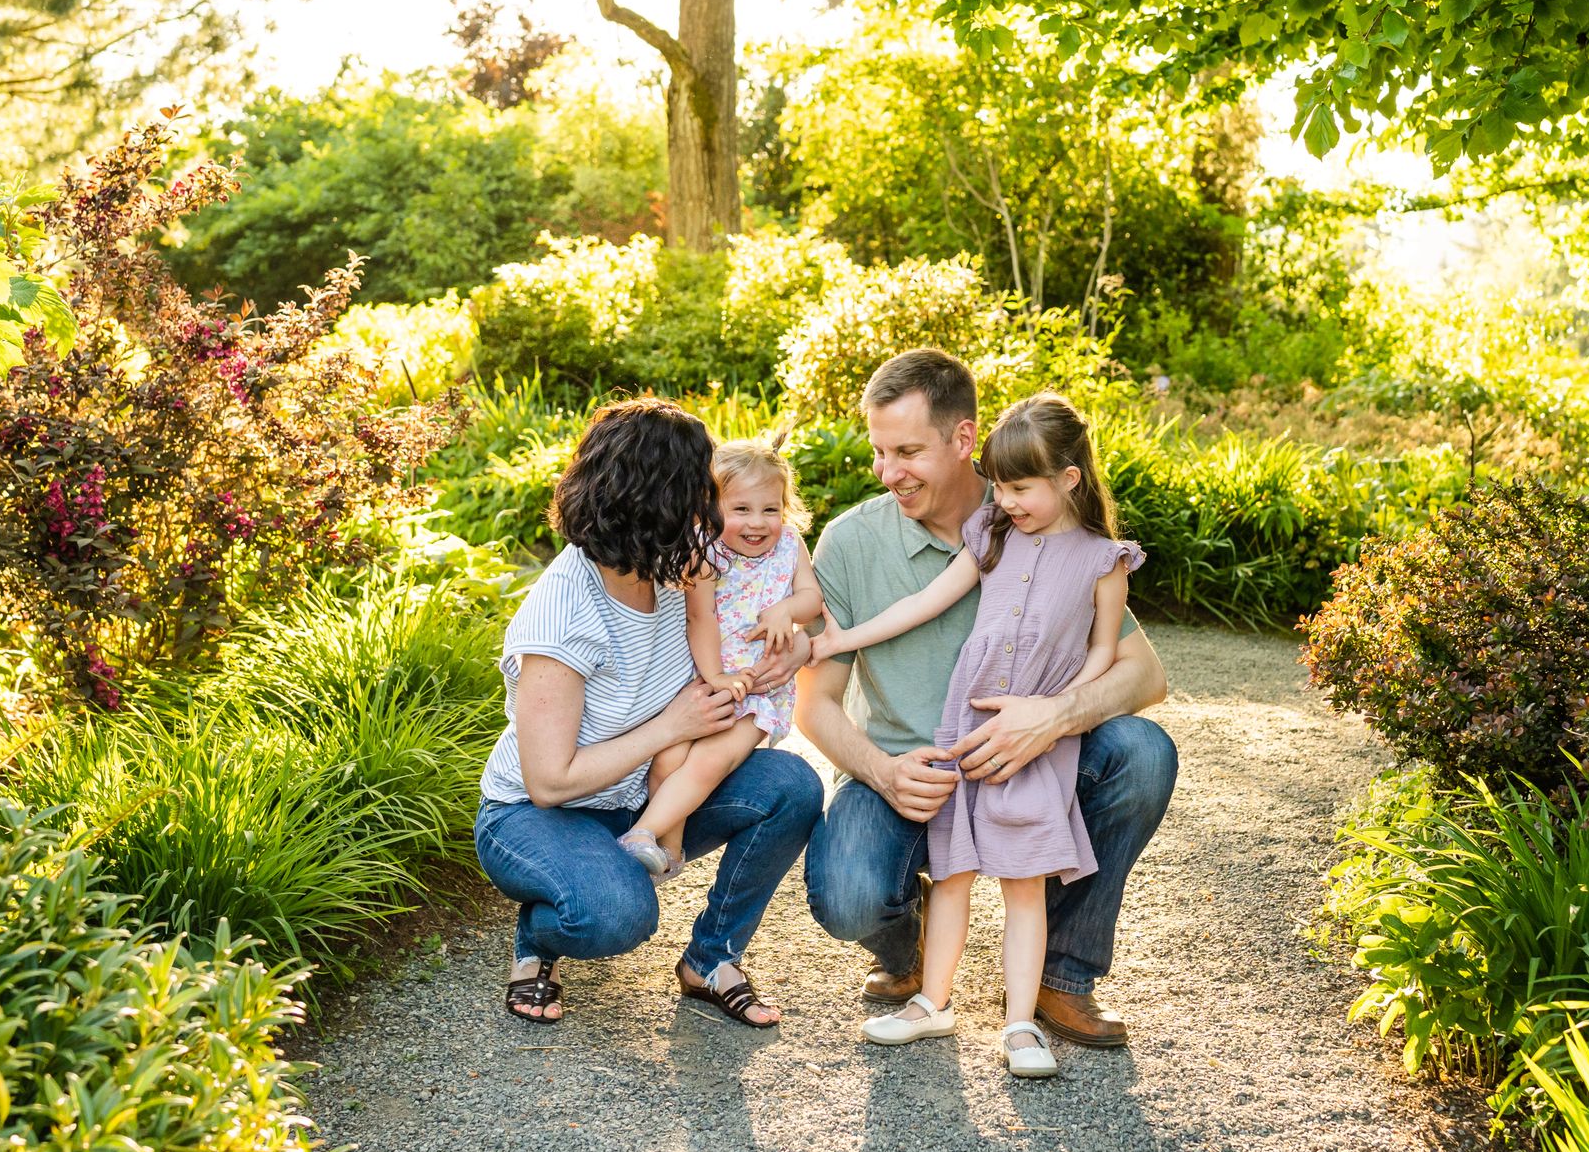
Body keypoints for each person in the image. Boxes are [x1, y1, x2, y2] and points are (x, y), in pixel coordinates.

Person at [796, 349, 1177, 1050]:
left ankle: (1060, 977)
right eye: (879, 451)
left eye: (907, 450)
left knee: (1144, 752)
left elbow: (1144, 674)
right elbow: (813, 705)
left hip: (1030, 756)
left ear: (963, 439)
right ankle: (907, 954)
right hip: (910, 772)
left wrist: (1055, 716)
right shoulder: (850, 541)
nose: (887, 471)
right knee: (847, 894)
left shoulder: (1048, 529)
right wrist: (884, 772)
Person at [473, 398, 822, 1029]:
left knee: (793, 788)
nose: (712, 510)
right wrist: (672, 727)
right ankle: (539, 935)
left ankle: (710, 958)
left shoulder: (676, 566)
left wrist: (791, 645)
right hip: (538, 814)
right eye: (701, 491)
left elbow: (762, 613)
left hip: (641, 791)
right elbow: (548, 783)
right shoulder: (565, 611)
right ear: (662, 499)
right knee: (617, 915)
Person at [618, 434, 825, 881]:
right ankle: (669, 849)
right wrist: (715, 675)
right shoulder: (703, 551)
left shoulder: (790, 545)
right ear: (710, 510)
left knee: (712, 761)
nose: (758, 523)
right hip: (706, 679)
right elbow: (701, 620)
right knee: (669, 759)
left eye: (770, 508)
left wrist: (786, 609)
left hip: (759, 692)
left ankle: (640, 833)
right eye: (741, 510)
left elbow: (811, 599)